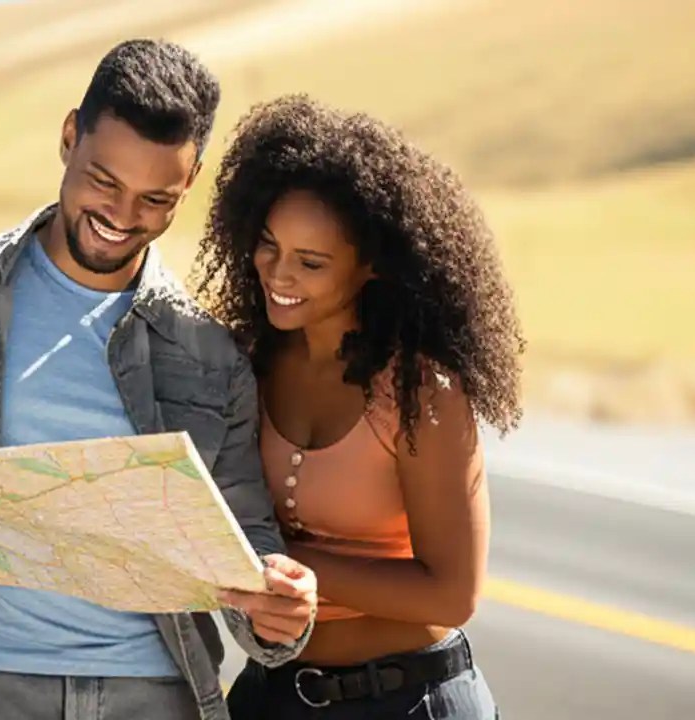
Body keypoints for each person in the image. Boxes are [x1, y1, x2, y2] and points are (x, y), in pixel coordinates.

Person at [0, 40, 318, 720]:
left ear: (191, 180)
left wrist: (278, 605)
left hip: (156, 697)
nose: (122, 216)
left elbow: (248, 547)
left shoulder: (208, 357)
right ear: (69, 136)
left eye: (155, 198)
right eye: (104, 182)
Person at [194, 95, 524, 719]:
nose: (278, 274)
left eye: (310, 262)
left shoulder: (422, 392)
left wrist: (285, 564)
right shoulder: (243, 366)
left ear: (370, 264)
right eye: (268, 245)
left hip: (410, 701)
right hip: (272, 696)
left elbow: (454, 593)